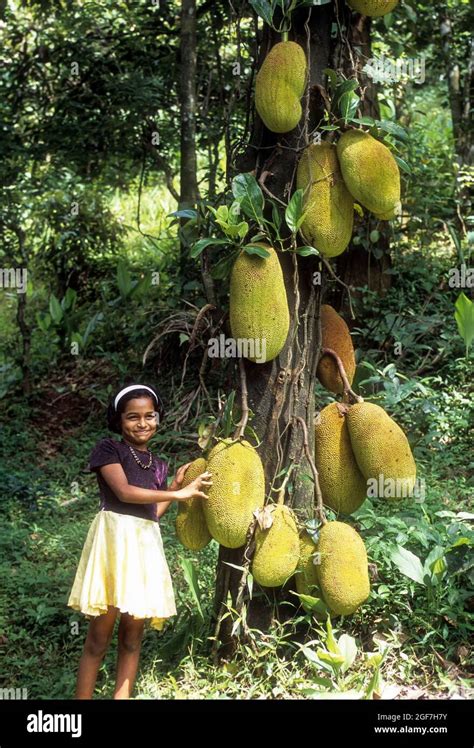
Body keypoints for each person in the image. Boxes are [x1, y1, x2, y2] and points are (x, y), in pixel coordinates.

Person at [67, 383, 211, 699]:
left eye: (149, 416)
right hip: (114, 544)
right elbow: (124, 493)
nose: (142, 423)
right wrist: (179, 492)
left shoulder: (158, 464)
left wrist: (172, 484)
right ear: (119, 421)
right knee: (98, 638)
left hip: (144, 546)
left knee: (132, 637)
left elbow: (151, 513)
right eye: (133, 417)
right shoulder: (109, 450)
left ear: (157, 419)